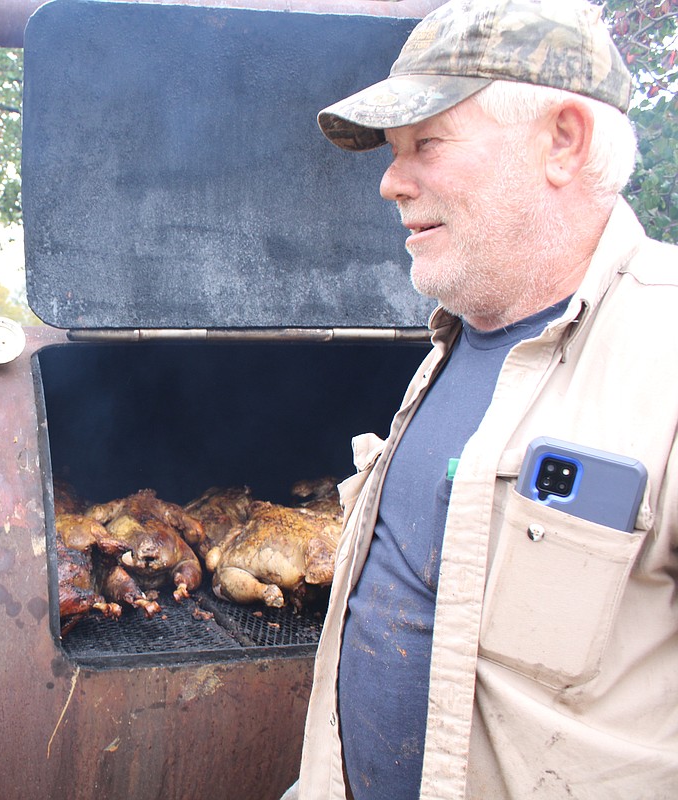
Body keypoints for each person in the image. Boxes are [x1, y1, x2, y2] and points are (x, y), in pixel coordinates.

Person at [283, 0, 678, 797]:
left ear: (562, 142)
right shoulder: (461, 337)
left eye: (427, 143)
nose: (391, 182)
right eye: (394, 153)